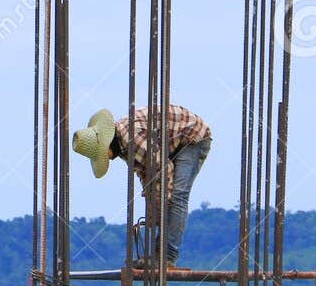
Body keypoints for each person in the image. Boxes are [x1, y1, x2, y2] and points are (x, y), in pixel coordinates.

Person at [71, 104, 211, 266]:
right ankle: (160, 254)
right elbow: (145, 172)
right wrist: (152, 204)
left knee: (178, 196)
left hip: (192, 136)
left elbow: (163, 168)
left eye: (104, 154)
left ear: (107, 144)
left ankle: (167, 256)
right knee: (166, 199)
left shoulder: (131, 140)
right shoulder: (123, 146)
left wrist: (159, 203)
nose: (108, 159)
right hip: (172, 140)